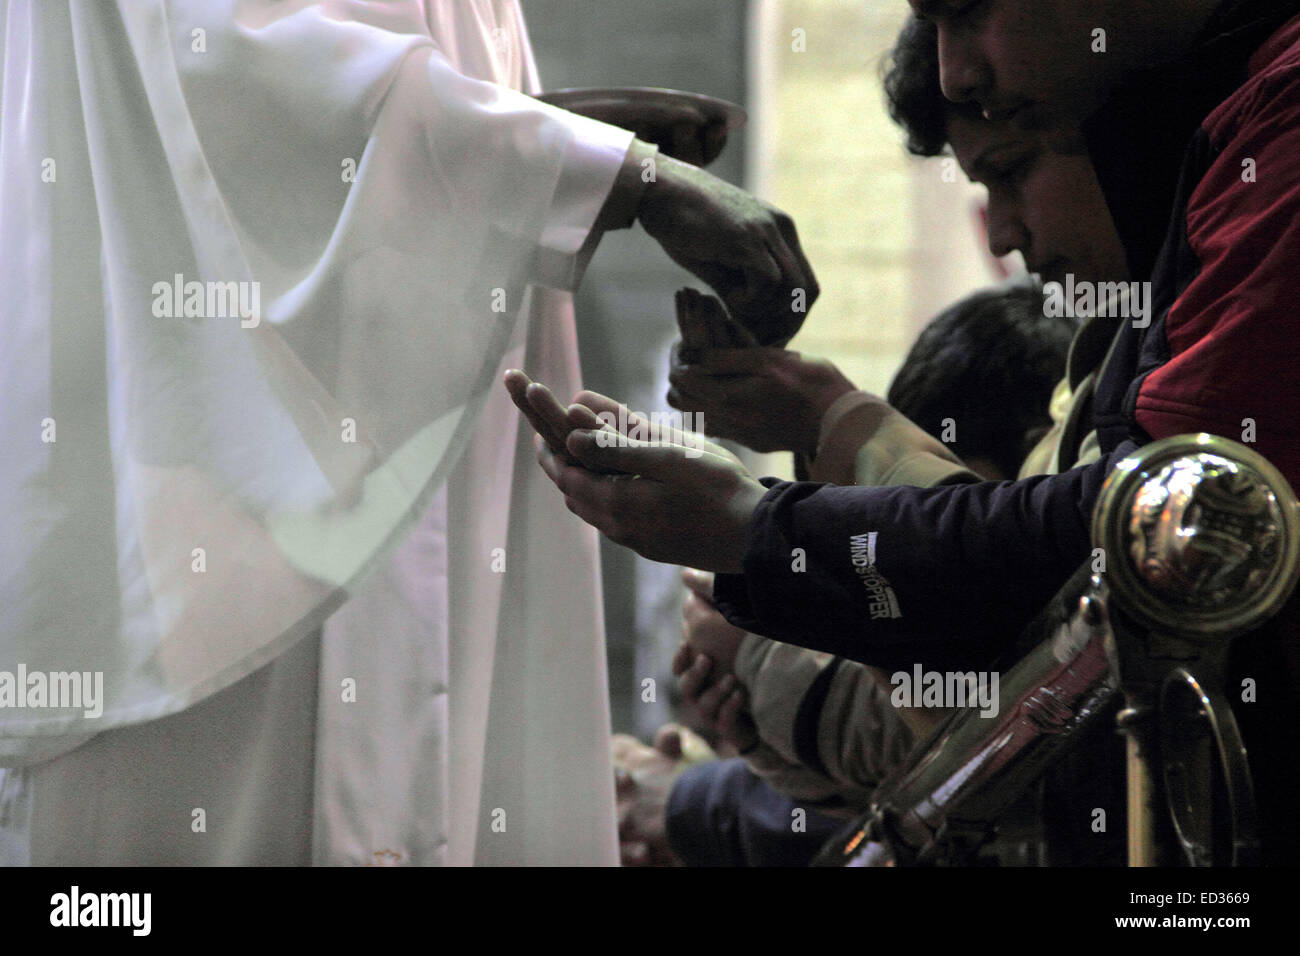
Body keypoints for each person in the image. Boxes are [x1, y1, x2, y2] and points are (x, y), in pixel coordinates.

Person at [0, 0, 817, 865]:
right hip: (203, 457)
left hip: (422, 410)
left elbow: (349, 95)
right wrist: (615, 175)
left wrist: (537, 137)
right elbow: (230, 67)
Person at [516, 0, 1300, 861]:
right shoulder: (1148, 285)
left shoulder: (1280, 124)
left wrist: (763, 539)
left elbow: (1089, 585)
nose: (956, 68)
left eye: (1014, 157)